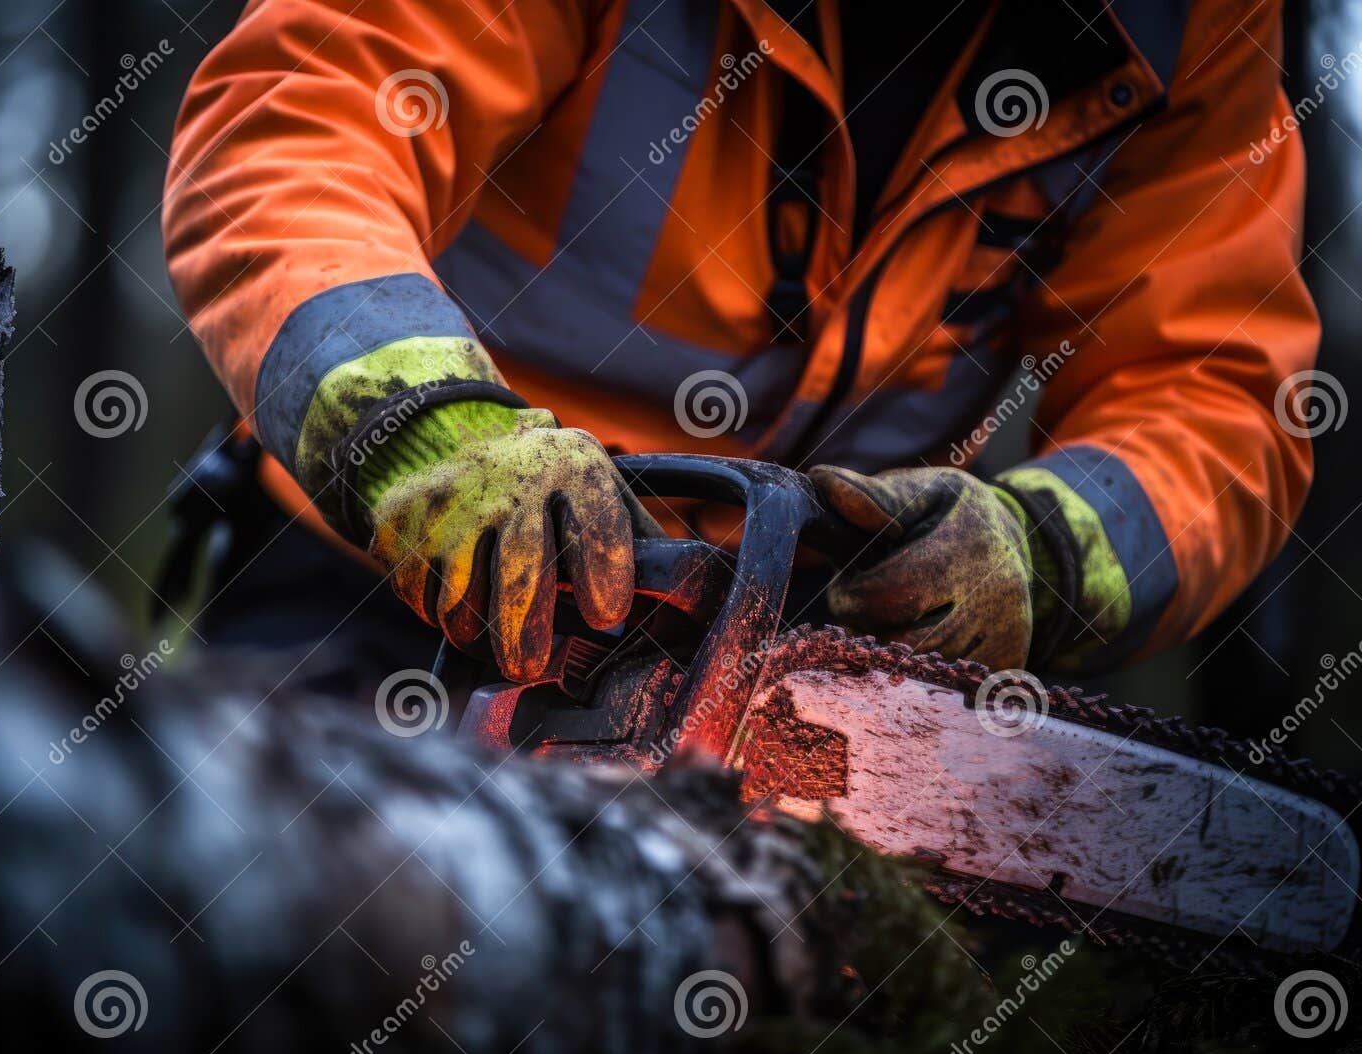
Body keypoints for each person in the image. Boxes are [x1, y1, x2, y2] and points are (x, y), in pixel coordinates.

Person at [162, 0, 1317, 684]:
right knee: (283, 958)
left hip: (821, 667)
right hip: (387, 597)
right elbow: (307, 122)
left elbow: (1211, 384)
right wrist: (424, 433)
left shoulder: (1193, 27)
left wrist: (1044, 551)